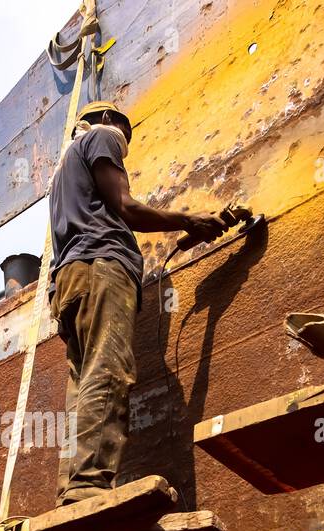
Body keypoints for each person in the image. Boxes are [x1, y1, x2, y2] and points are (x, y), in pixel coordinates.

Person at [47, 100, 239, 506]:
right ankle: (87, 487)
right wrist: (189, 220)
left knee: (82, 388)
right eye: (126, 133)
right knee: (108, 370)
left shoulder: (61, 177)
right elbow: (126, 207)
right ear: (108, 121)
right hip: (102, 266)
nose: (125, 144)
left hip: (70, 281)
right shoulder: (101, 136)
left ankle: (70, 488)